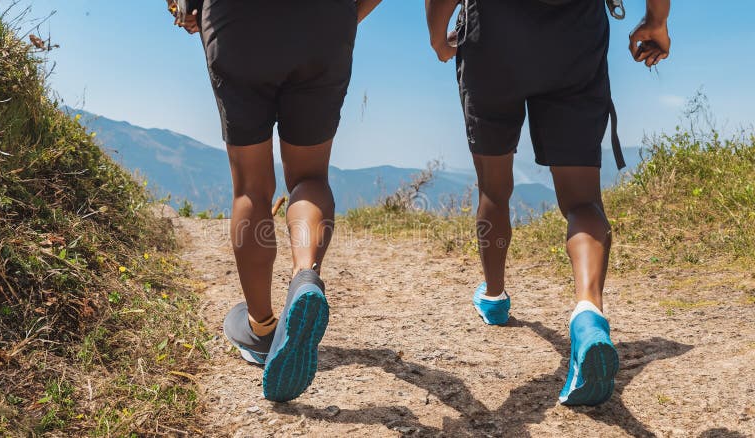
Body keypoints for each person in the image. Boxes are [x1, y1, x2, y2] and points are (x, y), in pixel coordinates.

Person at [426, 0, 671, 406]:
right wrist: (657, 20)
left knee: (493, 189)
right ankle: (589, 311)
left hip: (492, 37)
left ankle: (494, 295)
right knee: (582, 201)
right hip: (574, 37)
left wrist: (438, 34)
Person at [169, 0, 383, 402]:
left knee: (252, 186)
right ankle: (305, 277)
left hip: (238, 22)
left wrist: (184, 6)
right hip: (325, 23)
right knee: (309, 177)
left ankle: (262, 326)